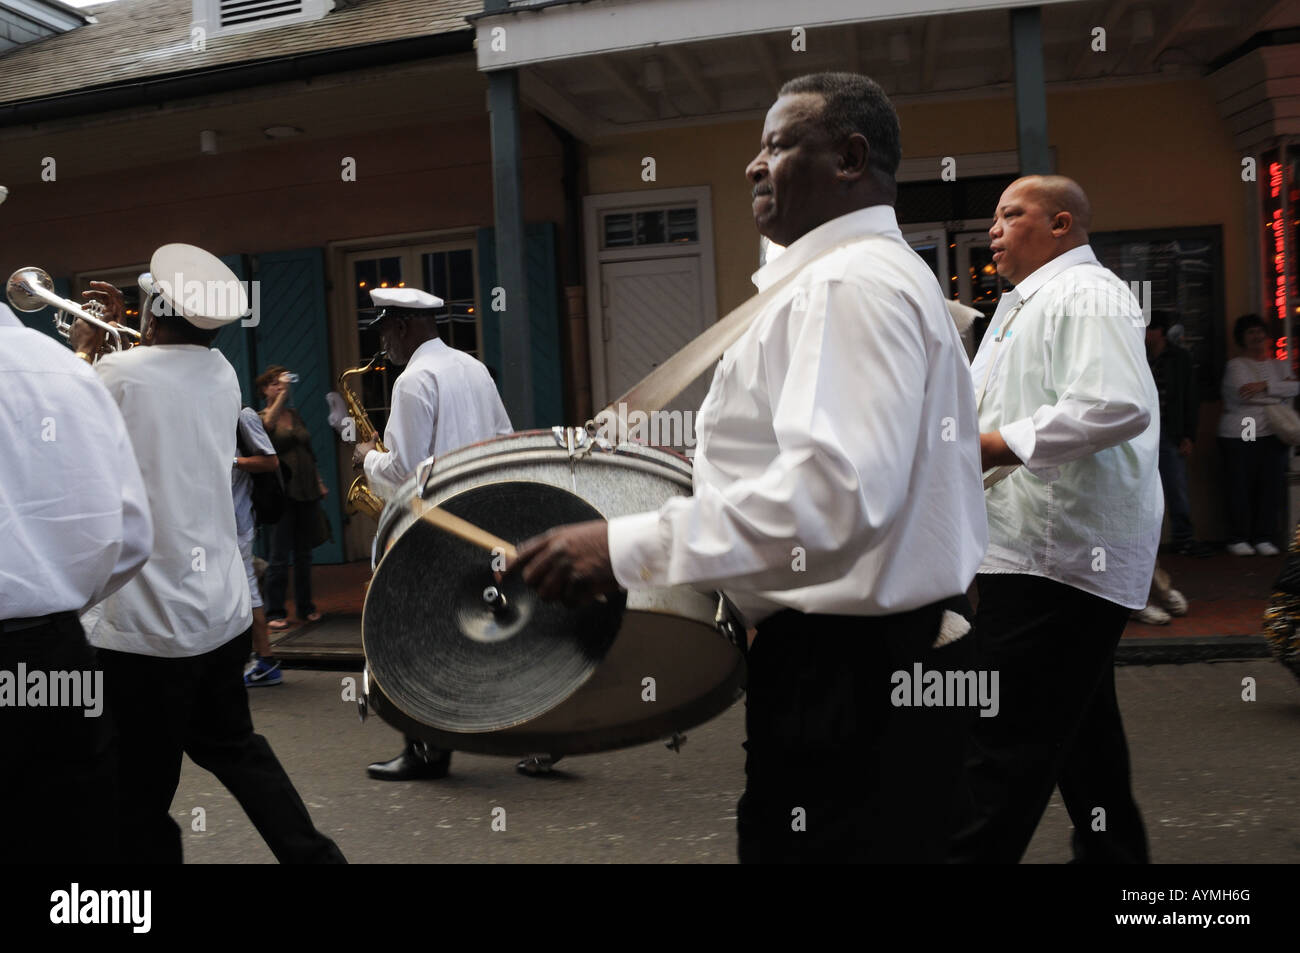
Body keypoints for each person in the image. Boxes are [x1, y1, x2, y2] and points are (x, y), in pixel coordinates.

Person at [507, 72, 988, 862]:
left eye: (777, 145)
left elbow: (831, 496)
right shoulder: (862, 274)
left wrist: (621, 547)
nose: (752, 165)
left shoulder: (845, 283)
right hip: (878, 659)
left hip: (849, 674)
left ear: (849, 158)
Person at [71, 254, 345, 864]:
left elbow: (72, 431)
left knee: (139, 790)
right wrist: (122, 344)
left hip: (144, 625)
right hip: (219, 613)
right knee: (236, 749)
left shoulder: (116, 372)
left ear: (153, 311)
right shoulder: (222, 372)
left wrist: (87, 349)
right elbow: (158, 390)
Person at [950, 175, 1160, 864]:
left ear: (1061, 223)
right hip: (1033, 548)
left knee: (999, 746)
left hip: (1057, 555)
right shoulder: (1024, 303)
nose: (993, 229)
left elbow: (1114, 404)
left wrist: (988, 447)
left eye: (1011, 215)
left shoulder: (1087, 293)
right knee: (1083, 734)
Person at [0, 302, 152, 864]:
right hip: (56, 651)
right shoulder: (67, 369)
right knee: (76, 849)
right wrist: (55, 600)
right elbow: (133, 534)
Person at [351, 287, 513, 781]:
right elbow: (505, 442)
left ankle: (425, 751)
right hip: (480, 521)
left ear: (402, 326)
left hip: (431, 527)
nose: (383, 345)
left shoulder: (412, 381)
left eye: (385, 331)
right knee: (490, 632)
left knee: (419, 639)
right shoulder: (475, 368)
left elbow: (405, 472)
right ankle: (540, 737)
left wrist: (367, 459)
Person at [1217, 313, 1297, 557]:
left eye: (1259, 331)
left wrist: (1264, 386)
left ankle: (1264, 537)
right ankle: (1239, 537)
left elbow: (1295, 387)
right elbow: (1244, 394)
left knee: (1270, 484)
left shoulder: (1279, 364)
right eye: (1250, 332)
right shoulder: (1236, 365)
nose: (1257, 336)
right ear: (1241, 338)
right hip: (1244, 427)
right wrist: (1279, 390)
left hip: (1275, 429)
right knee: (1242, 483)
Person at [257, 366, 329, 629]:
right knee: (279, 554)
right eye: (273, 384)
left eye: (281, 382)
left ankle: (305, 606)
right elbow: (268, 427)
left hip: (306, 489)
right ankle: (274, 611)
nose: (279, 386)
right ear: (264, 390)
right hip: (282, 493)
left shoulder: (295, 415)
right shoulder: (261, 416)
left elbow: (308, 450)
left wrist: (319, 482)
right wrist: (282, 397)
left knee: (303, 553)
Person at [1147, 309, 1211, 557]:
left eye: (1148, 329)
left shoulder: (1179, 358)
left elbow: (1189, 397)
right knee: (1141, 488)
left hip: (1169, 431)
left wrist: (1188, 435)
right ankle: (1146, 542)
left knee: (1176, 486)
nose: (1143, 333)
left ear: (1159, 331)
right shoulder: (1139, 355)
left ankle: (1183, 538)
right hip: (1142, 432)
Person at [234, 407, 283, 686]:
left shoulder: (244, 416)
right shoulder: (205, 415)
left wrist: (232, 461)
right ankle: (256, 658)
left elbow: (270, 461)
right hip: (215, 524)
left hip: (238, 522)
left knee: (247, 589)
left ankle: (265, 660)